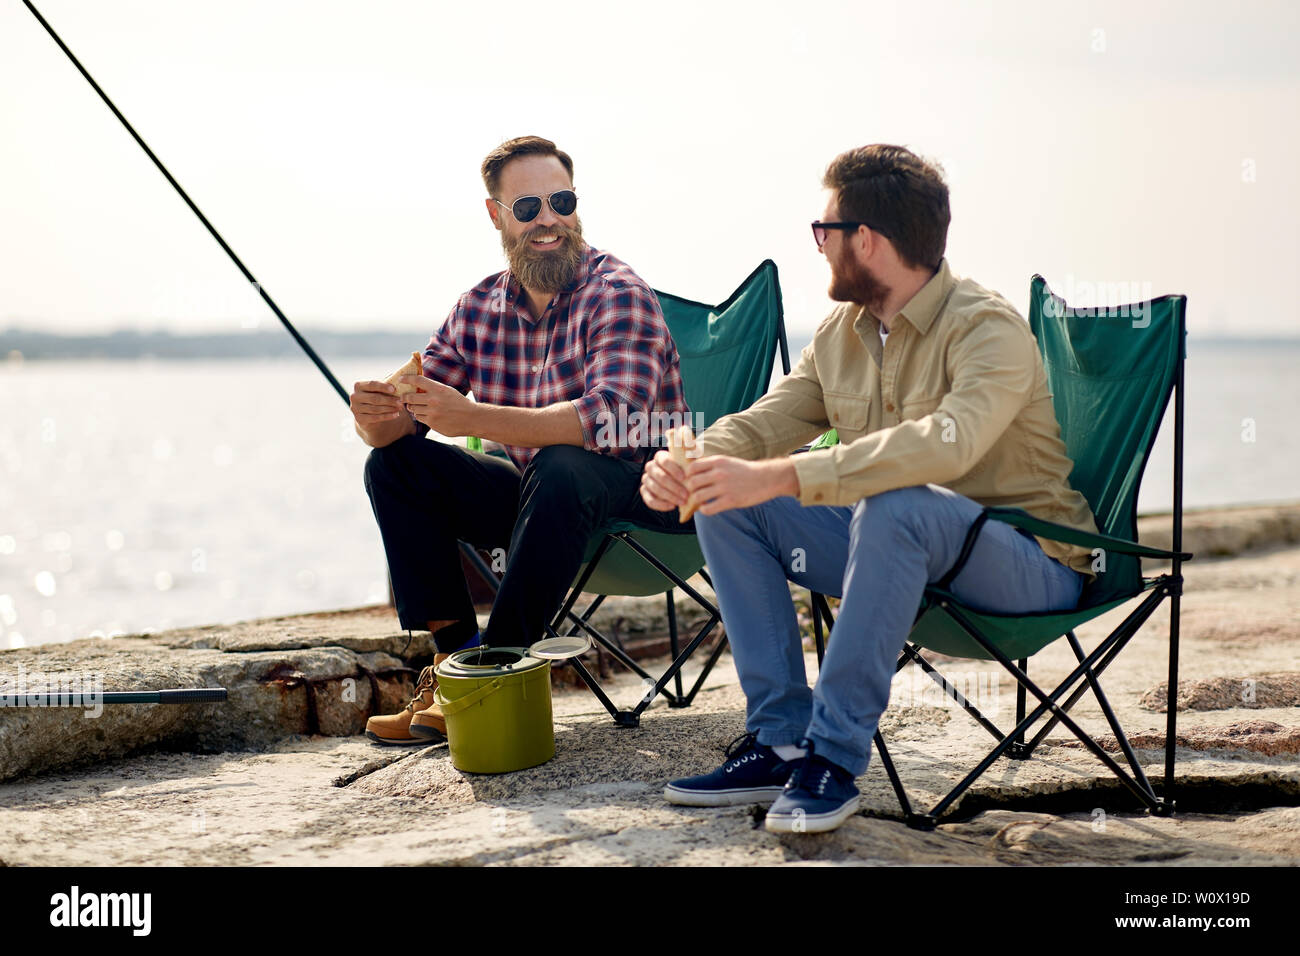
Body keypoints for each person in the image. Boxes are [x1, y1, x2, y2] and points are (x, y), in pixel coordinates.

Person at [639, 144, 1101, 834]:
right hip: (897, 553)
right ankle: (781, 740)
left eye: (825, 231)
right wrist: (696, 462)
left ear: (867, 241)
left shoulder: (986, 327)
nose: (818, 247)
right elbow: (771, 420)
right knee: (729, 498)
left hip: (1030, 564)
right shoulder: (844, 333)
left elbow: (950, 442)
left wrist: (787, 473)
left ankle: (832, 758)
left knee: (897, 500)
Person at [354, 135, 690, 745]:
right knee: (394, 466)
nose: (549, 220)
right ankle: (454, 664)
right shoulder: (478, 307)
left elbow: (610, 420)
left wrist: (475, 417)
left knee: (565, 462)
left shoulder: (617, 292)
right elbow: (413, 416)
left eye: (561, 200)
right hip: (547, 505)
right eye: (528, 207)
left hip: (651, 495)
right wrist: (375, 417)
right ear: (496, 216)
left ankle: (494, 671)